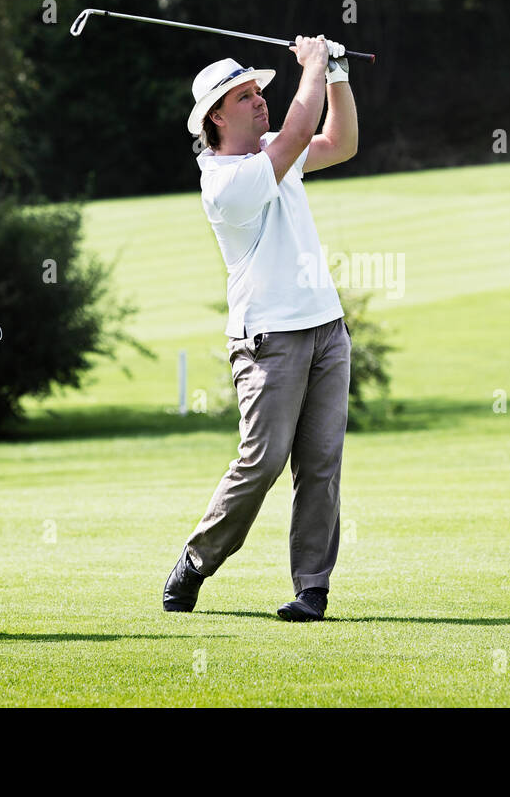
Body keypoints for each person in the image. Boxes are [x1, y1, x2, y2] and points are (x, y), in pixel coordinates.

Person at [163, 34, 359, 622]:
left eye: (258, 92)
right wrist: (314, 65)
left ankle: (312, 590)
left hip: (327, 329)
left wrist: (338, 76)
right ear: (216, 117)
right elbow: (301, 132)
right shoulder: (224, 183)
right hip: (267, 340)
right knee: (263, 461)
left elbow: (339, 143)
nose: (258, 102)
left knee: (321, 465)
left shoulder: (275, 149)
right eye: (244, 96)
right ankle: (197, 561)